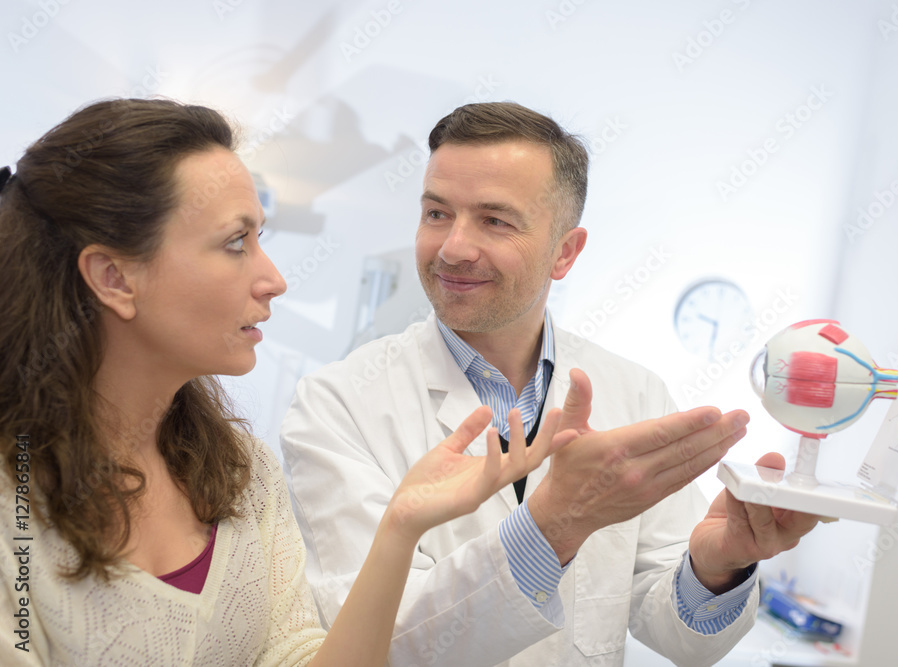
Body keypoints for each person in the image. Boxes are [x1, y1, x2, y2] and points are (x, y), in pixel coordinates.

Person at [0, 98, 571, 666]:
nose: (273, 279)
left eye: (495, 219)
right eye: (234, 243)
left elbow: (296, 656)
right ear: (114, 277)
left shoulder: (239, 471)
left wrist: (401, 527)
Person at [281, 102, 821, 666]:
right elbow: (374, 643)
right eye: (437, 213)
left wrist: (717, 566)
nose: (452, 248)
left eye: (494, 220)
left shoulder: (634, 392)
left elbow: (677, 635)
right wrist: (555, 525)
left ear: (565, 251)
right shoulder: (338, 404)